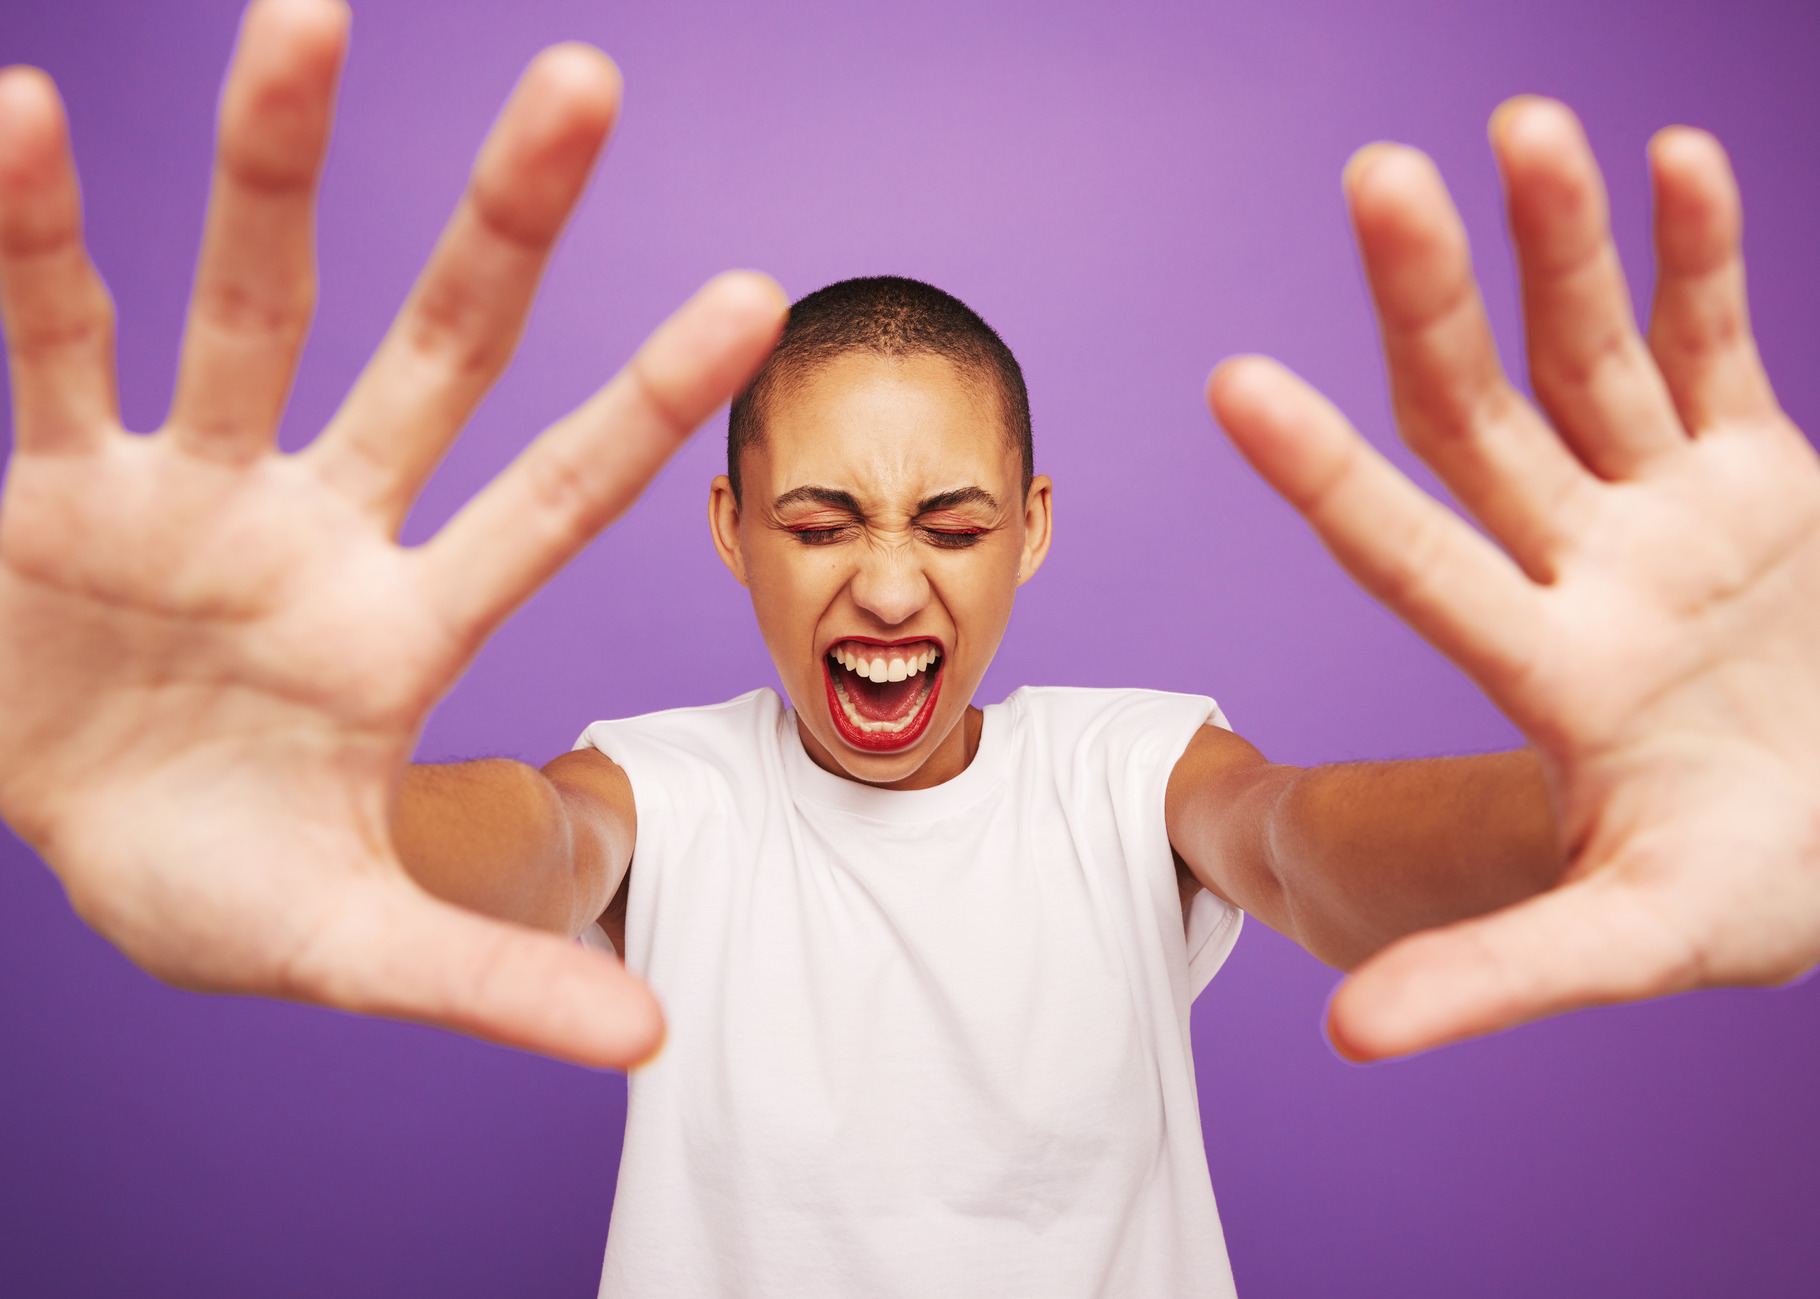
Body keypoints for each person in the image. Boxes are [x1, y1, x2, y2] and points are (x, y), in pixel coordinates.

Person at [3, 0, 1819, 1291]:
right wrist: (323, 827)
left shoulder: (1130, 767)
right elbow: (544, 848)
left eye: (953, 526)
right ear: (731, 533)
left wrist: (1594, 811)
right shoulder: (665, 786)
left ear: (1031, 532)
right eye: (820, 524)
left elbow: (1305, 847)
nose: (888, 588)